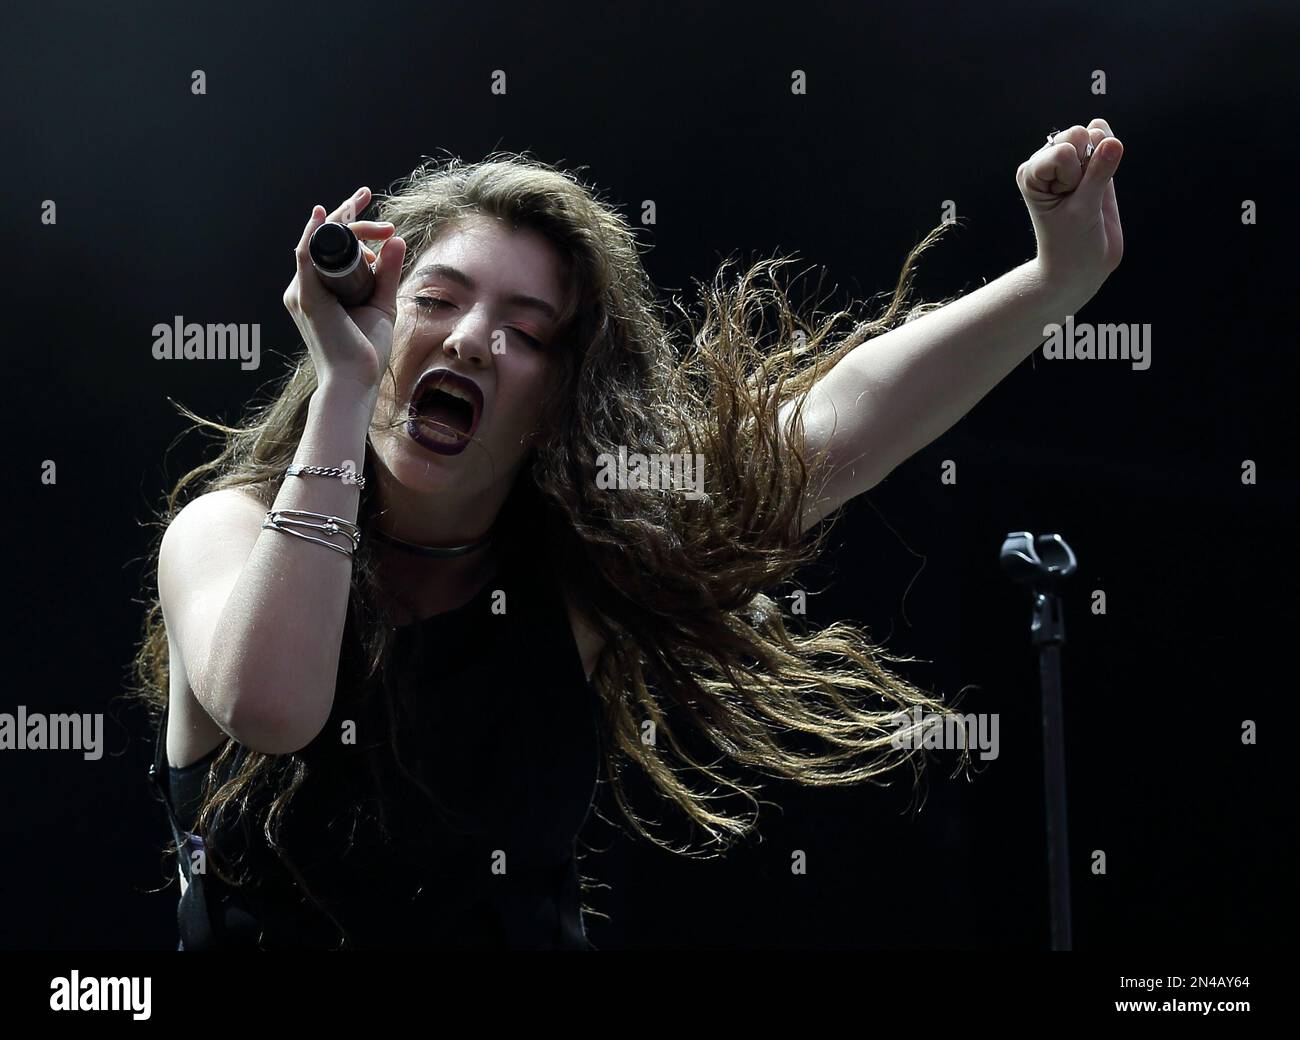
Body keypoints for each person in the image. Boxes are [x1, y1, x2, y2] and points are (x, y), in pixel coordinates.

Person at [132, 125, 1124, 950]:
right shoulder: (224, 531)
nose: (475, 338)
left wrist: (1051, 280)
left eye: (527, 329)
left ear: (560, 401)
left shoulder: (574, 573)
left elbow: (830, 429)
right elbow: (272, 706)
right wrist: (347, 384)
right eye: (433, 301)